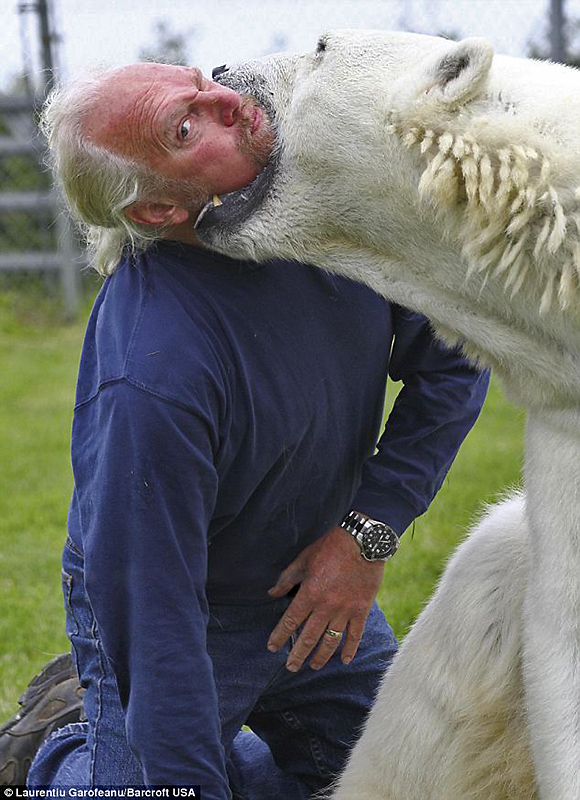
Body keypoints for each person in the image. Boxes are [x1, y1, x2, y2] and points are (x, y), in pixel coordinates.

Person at [0, 63, 489, 797]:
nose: (229, 101)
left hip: (314, 589)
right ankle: (55, 750)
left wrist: (366, 534)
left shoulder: (334, 217)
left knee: (430, 779)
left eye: (200, 84)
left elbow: (457, 358)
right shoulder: (152, 376)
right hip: (175, 608)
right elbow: (156, 613)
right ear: (160, 211)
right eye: (186, 127)